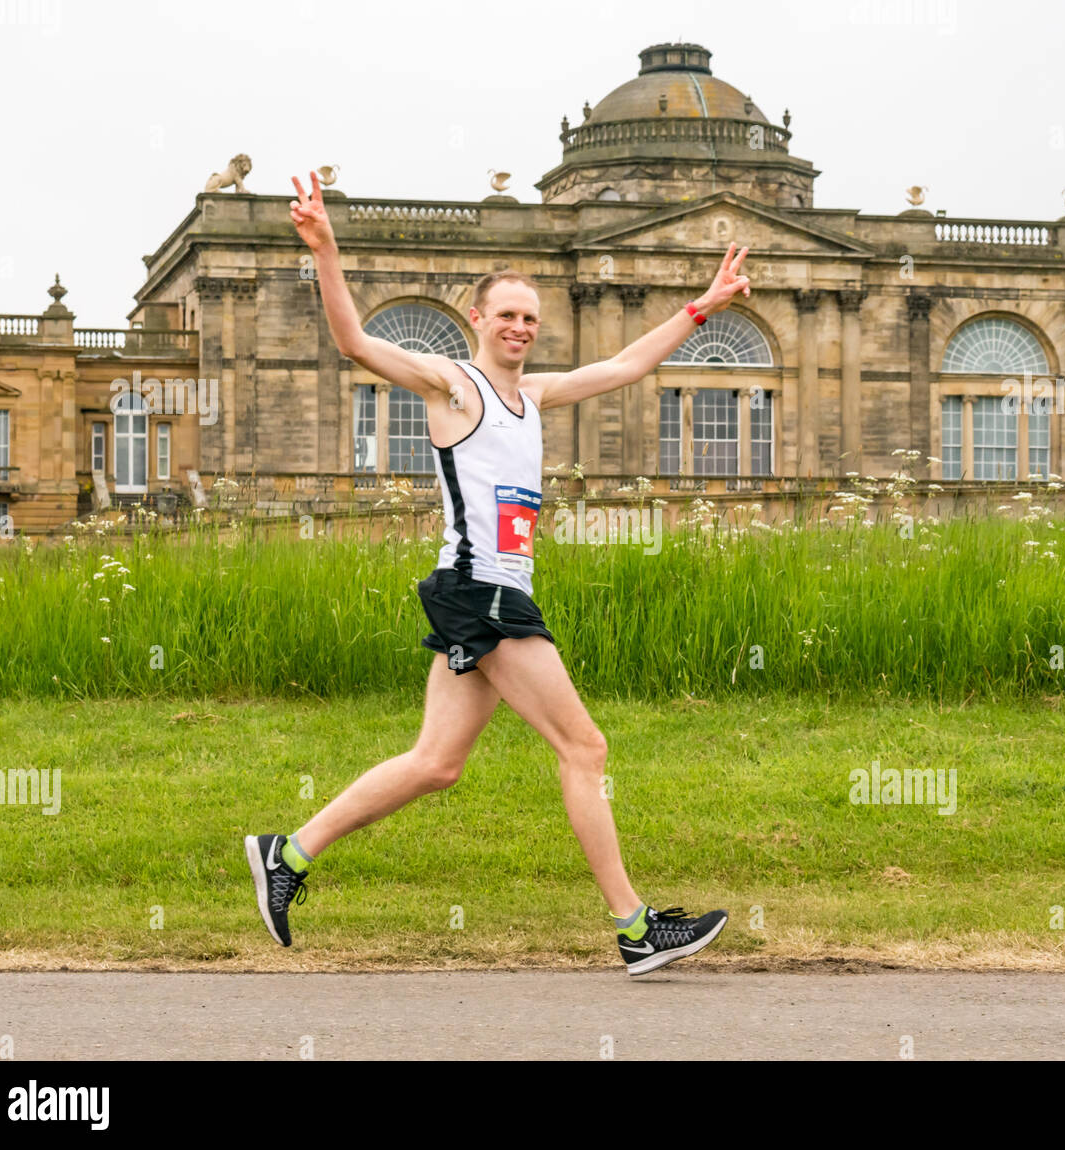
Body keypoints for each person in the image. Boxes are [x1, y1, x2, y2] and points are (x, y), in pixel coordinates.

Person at [246, 171, 751, 976]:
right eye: (506, 315)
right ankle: (634, 929)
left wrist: (702, 308)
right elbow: (356, 343)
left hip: (491, 594)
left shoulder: (537, 395)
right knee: (585, 747)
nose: (520, 327)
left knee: (437, 764)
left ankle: (288, 854)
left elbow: (624, 365)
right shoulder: (455, 385)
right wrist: (328, 251)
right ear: (477, 319)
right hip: (481, 594)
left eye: (530, 319)